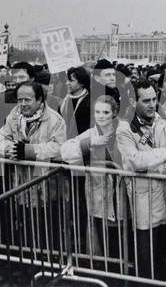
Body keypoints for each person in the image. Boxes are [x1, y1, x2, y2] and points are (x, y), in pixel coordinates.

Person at [116, 80, 166, 282]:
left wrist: (162, 165)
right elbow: (136, 162)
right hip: (144, 201)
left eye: (154, 99)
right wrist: (165, 152)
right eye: (146, 100)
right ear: (132, 101)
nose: (152, 104)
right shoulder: (124, 129)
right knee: (146, 259)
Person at [0, 82, 66, 248]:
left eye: (27, 99)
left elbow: (59, 147)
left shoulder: (55, 119)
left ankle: (50, 260)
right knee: (25, 222)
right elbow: (0, 139)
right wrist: (9, 149)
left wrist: (29, 151)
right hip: (22, 183)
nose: (23, 104)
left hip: (48, 185)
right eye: (20, 100)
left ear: (39, 100)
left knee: (47, 226)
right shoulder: (14, 117)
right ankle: (28, 258)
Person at [61, 95, 124, 258]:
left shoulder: (124, 130)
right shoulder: (91, 133)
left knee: (124, 236)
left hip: (124, 192)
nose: (101, 116)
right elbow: (65, 151)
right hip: (100, 193)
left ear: (114, 113)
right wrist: (88, 144)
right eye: (97, 112)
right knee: (104, 236)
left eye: (105, 112)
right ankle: (107, 268)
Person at [59, 67, 91, 139]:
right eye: (67, 80)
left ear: (82, 83)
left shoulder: (89, 103)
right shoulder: (65, 100)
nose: (67, 83)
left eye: (71, 81)